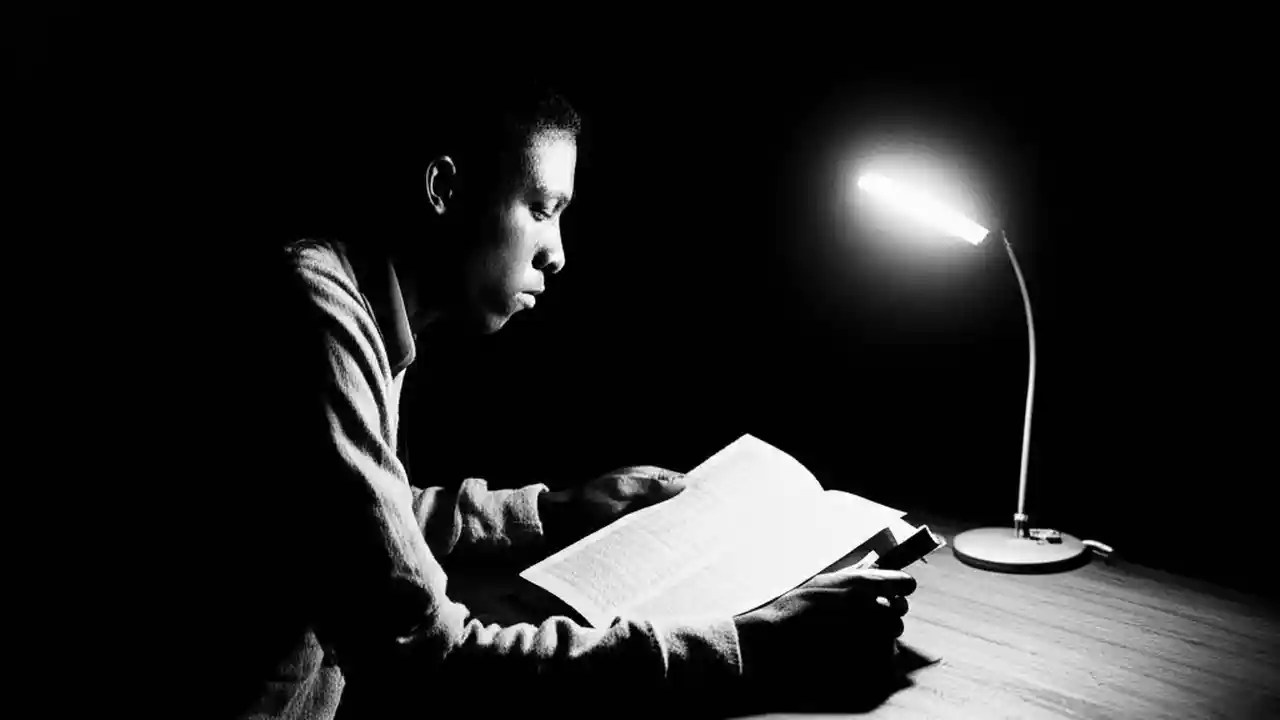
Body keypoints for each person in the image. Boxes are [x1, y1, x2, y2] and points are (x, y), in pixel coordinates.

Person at [186, 80, 916, 719]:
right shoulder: (317, 319)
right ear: (444, 188)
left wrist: (554, 511)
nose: (558, 252)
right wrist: (754, 644)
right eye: (542, 207)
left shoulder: (362, 307)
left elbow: (363, 522)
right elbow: (433, 657)